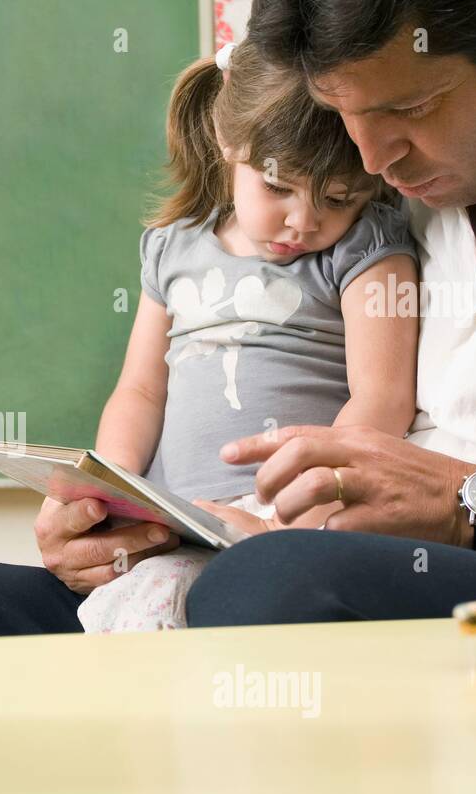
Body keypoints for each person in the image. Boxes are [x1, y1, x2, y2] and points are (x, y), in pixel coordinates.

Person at [0, 0, 476, 639]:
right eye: (340, 114)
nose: (369, 158)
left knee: (265, 584)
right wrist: (97, 522)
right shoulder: (364, 198)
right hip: (261, 562)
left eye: (409, 107)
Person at [78, 37, 419, 634]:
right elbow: (139, 391)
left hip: (289, 516)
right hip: (174, 518)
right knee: (135, 601)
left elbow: (382, 397)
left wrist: (304, 511)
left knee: (183, 606)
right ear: (228, 144)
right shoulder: (171, 247)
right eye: (279, 187)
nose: (304, 221)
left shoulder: (363, 247)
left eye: (336, 198)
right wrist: (107, 489)